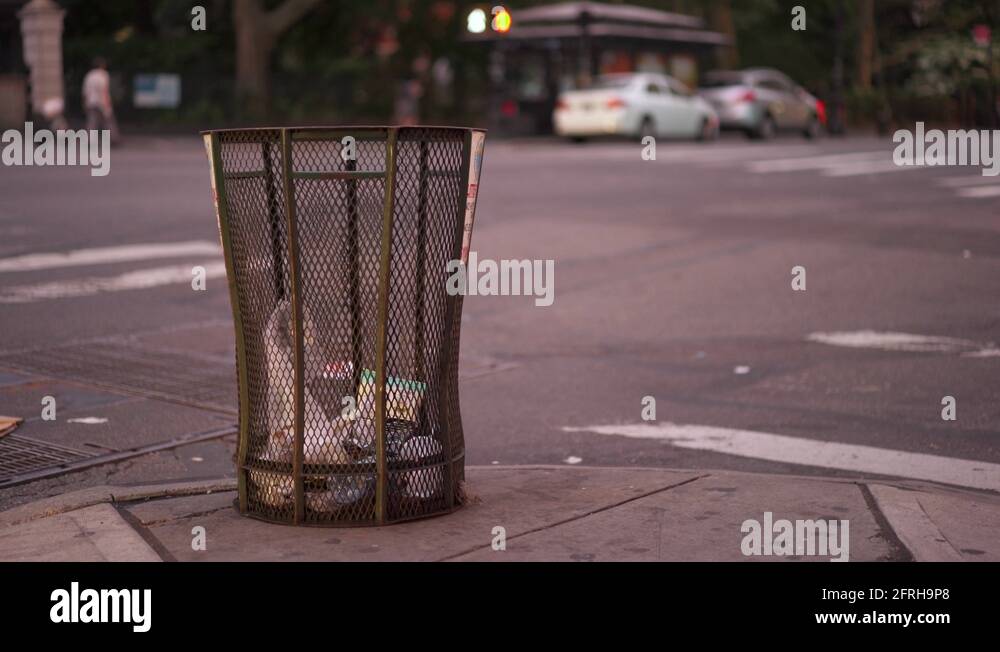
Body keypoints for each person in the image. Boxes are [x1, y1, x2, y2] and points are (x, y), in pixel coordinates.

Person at [82, 57, 119, 142]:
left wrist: (85, 102)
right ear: (102, 65)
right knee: (108, 121)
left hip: (91, 101)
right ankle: (113, 139)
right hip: (101, 101)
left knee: (92, 122)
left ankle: (89, 140)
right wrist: (107, 103)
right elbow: (104, 90)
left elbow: (85, 91)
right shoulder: (103, 74)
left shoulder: (89, 75)